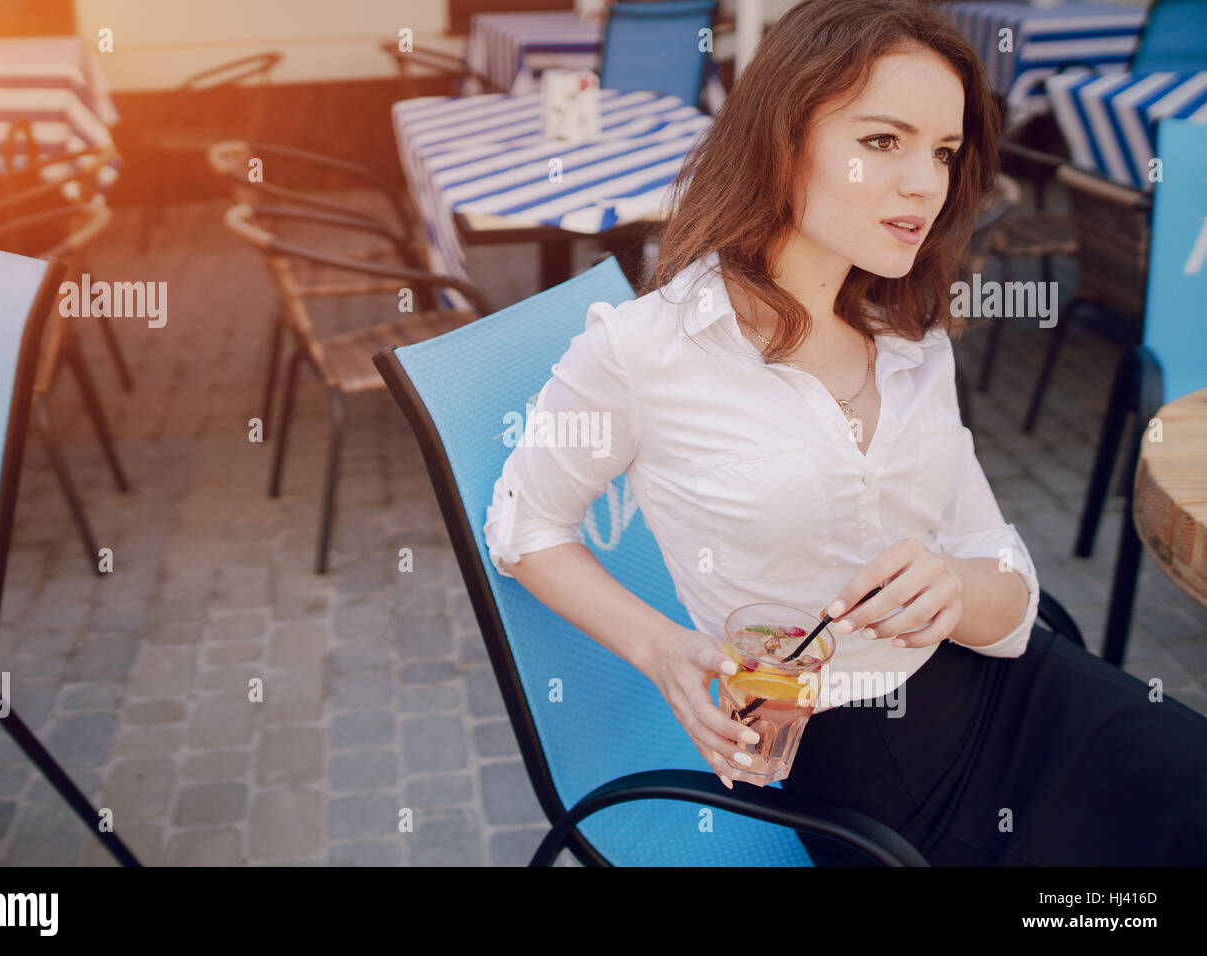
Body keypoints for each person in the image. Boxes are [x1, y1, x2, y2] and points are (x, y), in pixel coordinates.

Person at [482, 0, 1207, 866]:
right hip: (883, 785)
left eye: (943, 153)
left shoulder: (908, 333)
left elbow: (1004, 582)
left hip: (1026, 690)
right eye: (882, 141)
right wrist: (664, 649)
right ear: (781, 140)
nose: (925, 184)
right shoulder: (645, 351)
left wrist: (951, 587)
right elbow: (523, 526)